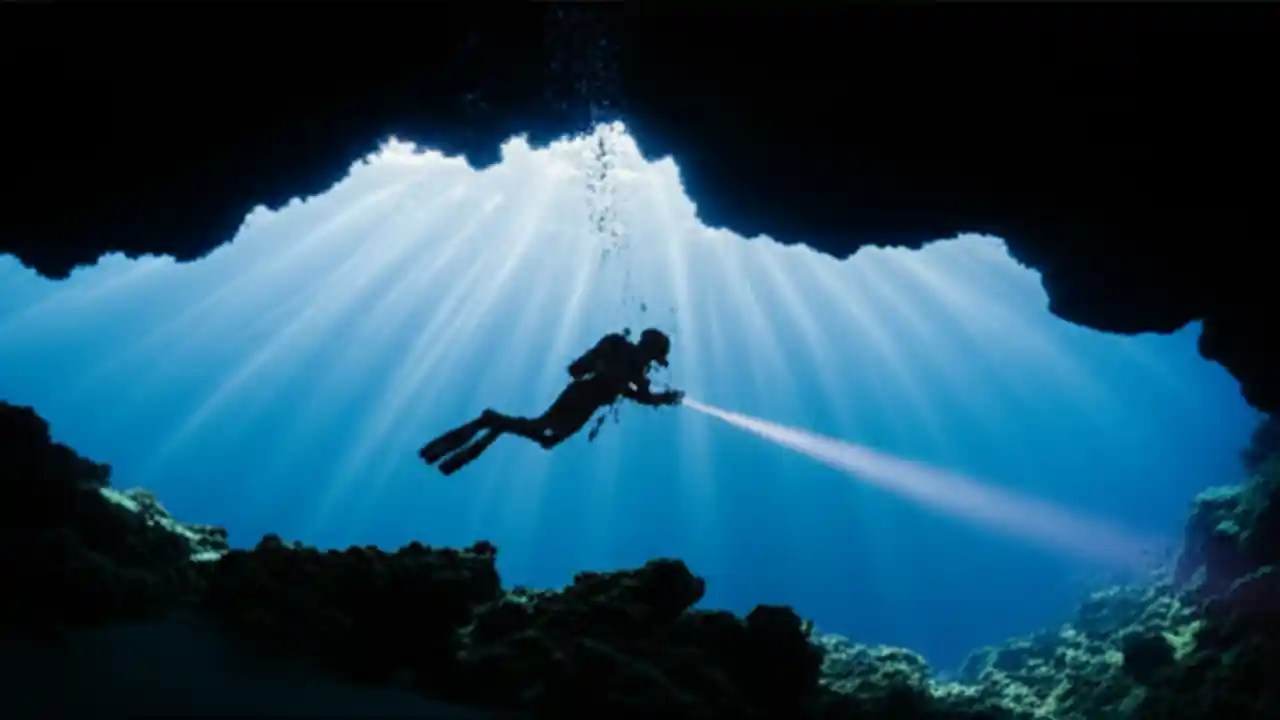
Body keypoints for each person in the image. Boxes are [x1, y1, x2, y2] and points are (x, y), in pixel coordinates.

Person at [420, 328, 684, 475]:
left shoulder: (637, 373)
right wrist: (650, 392)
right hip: (580, 399)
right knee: (544, 430)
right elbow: (582, 370)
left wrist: (666, 398)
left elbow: (640, 396)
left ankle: (495, 426)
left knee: (547, 437)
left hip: (586, 404)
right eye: (654, 357)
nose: (652, 363)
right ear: (649, 348)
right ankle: (491, 422)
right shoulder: (620, 350)